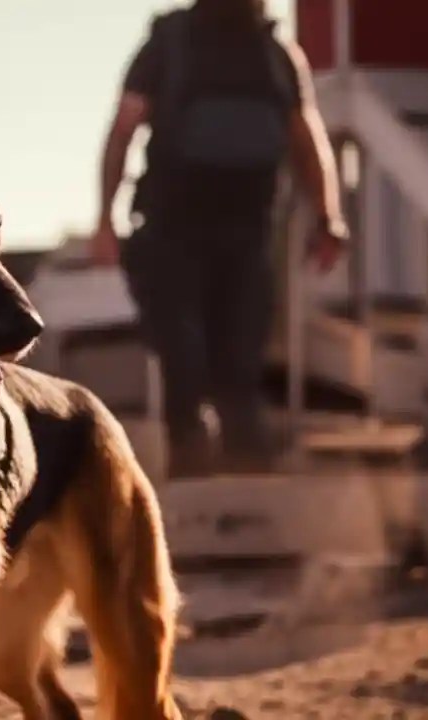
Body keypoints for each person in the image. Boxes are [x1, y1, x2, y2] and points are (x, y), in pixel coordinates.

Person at [91, 0, 349, 477]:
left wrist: (329, 216)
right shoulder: (170, 44)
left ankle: (249, 504)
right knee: (184, 364)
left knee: (240, 372)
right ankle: (194, 497)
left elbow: (305, 137)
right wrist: (105, 221)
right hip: (173, 232)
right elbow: (123, 129)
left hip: (248, 237)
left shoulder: (277, 54)